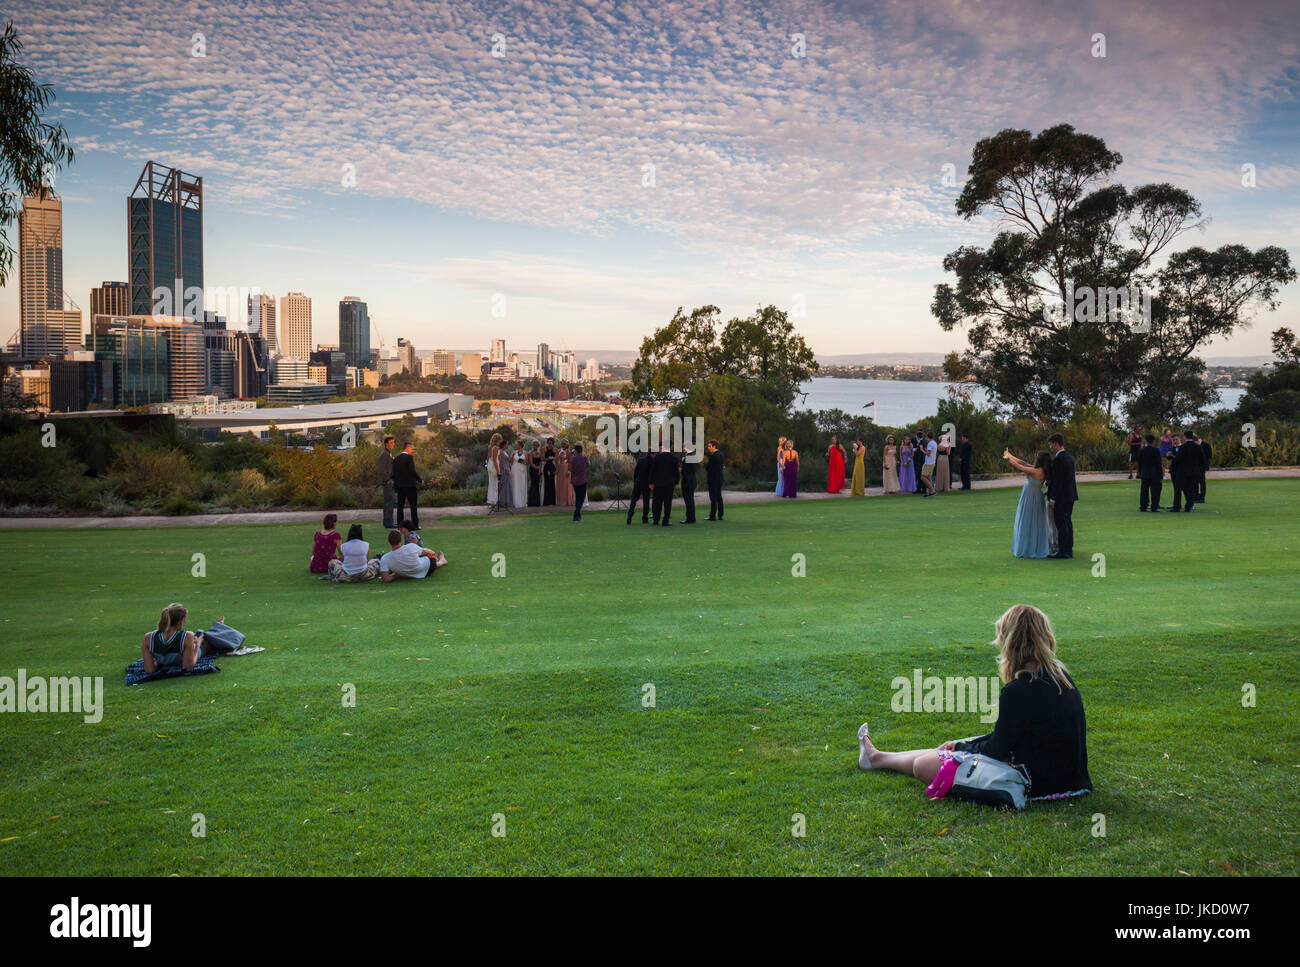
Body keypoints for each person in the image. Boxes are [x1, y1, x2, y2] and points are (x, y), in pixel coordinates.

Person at [856, 604, 1091, 802]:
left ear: (1011, 643)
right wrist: (963, 745)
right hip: (1070, 780)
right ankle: (878, 758)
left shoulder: (1018, 691)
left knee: (924, 765)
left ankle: (878, 759)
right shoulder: (1060, 678)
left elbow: (998, 750)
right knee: (958, 745)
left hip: (1033, 783)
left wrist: (960, 748)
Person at [1003, 449, 1052, 558]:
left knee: (1028, 521)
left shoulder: (1038, 471)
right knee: (1034, 522)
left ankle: (1028, 549)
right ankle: (1031, 546)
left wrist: (1007, 458)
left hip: (1030, 497)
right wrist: (1011, 455)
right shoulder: (1040, 469)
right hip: (1033, 496)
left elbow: (1020, 466)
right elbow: (1023, 462)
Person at [140, 602, 209, 674]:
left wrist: (161, 661)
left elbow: (149, 670)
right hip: (198, 647)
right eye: (184, 620)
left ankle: (218, 627)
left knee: (209, 636)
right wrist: (198, 645)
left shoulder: (148, 638)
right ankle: (218, 627)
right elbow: (187, 666)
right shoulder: (187, 636)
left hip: (185, 648)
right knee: (208, 640)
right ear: (181, 622)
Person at [1046, 433, 1078, 558]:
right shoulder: (1069, 457)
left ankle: (1064, 551)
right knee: (1067, 522)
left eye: (1051, 444)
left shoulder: (1059, 459)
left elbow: (1058, 481)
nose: (1051, 447)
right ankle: (1068, 548)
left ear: (1056, 443)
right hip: (1070, 495)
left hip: (1061, 497)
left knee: (1061, 524)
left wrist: (1053, 498)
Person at [379, 529, 446, 582]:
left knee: (421, 557)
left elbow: (386, 579)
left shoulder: (385, 558)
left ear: (389, 541)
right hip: (425, 567)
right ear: (401, 540)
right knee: (430, 559)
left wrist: (396, 576)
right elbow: (428, 552)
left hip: (409, 572)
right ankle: (442, 561)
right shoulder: (410, 546)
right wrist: (433, 553)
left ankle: (441, 561)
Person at [1171, 429, 1204, 512]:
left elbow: (1178, 459)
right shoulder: (1197, 447)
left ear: (1184, 437)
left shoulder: (1183, 447)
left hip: (1182, 471)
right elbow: (1202, 459)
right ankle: (1189, 505)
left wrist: (1172, 456)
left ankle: (1176, 506)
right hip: (1194, 471)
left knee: (1178, 489)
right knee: (1191, 489)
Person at [392, 441, 422, 530]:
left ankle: (399, 525)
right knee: (413, 506)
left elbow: (394, 473)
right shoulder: (409, 458)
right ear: (408, 448)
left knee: (400, 507)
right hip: (410, 486)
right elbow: (412, 471)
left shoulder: (396, 459)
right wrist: (420, 480)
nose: (413, 451)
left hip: (400, 486)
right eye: (412, 449)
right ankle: (415, 525)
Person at [651, 444, 679, 526]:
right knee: (667, 502)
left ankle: (656, 520)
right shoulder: (674, 458)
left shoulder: (657, 457)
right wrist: (676, 482)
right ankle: (665, 520)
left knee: (657, 502)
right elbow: (676, 472)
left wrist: (651, 482)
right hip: (669, 484)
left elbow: (653, 470)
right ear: (671, 447)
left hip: (659, 483)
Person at [1136, 433, 1164, 512]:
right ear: (1153, 441)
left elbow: (1139, 463)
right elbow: (1159, 464)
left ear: (1146, 441)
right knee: (1155, 491)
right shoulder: (1156, 450)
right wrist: (1161, 475)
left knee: (1144, 490)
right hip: (1155, 473)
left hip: (1144, 473)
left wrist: (1140, 472)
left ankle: (1143, 506)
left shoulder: (1141, 450)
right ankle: (1154, 506)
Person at [627, 449, 653, 524]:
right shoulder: (652, 461)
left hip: (638, 483)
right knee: (646, 501)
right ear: (652, 454)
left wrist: (635, 481)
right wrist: (651, 483)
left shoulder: (641, 460)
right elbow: (651, 473)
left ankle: (630, 515)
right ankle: (644, 518)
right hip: (646, 484)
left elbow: (636, 472)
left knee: (633, 500)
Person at [378, 435, 396, 529]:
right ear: (386, 444)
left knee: (389, 502)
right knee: (388, 502)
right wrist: (388, 480)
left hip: (390, 481)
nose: (393, 444)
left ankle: (389, 522)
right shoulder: (384, 454)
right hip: (387, 482)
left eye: (394, 442)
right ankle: (388, 523)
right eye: (391, 443)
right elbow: (382, 469)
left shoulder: (388, 453)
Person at [705, 439, 725, 521]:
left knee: (713, 498)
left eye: (709, 446)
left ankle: (712, 515)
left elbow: (708, 467)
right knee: (719, 497)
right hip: (719, 479)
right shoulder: (721, 455)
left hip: (713, 480)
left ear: (714, 446)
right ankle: (720, 515)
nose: (708, 448)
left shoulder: (713, 456)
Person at [569, 443, 589, 522]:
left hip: (574, 480)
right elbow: (589, 464)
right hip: (582, 480)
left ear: (575, 450)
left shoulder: (572, 459)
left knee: (578, 498)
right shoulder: (584, 458)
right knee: (581, 499)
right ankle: (576, 515)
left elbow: (570, 468)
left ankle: (578, 516)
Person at [679, 447, 698, 522]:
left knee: (688, 501)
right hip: (692, 481)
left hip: (687, 482)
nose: (683, 448)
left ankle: (690, 518)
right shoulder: (693, 456)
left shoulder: (687, 457)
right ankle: (691, 517)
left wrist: (681, 470)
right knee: (691, 500)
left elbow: (686, 472)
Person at [919, 431, 937, 497]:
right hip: (932, 462)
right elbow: (931, 452)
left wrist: (922, 450)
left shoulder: (930, 444)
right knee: (929, 477)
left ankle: (932, 490)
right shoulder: (934, 443)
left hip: (928, 463)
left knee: (923, 477)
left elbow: (928, 454)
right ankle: (930, 492)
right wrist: (926, 450)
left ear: (927, 437)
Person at [486, 433, 502, 508]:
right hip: (493, 466)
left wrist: (488, 465)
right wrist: (498, 471)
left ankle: (491, 501)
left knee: (491, 483)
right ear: (498, 440)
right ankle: (493, 502)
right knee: (495, 484)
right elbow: (495, 459)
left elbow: (488, 457)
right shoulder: (495, 447)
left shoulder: (490, 447)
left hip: (490, 464)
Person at [510, 441, 528, 508]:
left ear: (520, 445)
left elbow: (527, 462)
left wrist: (519, 460)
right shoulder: (513, 452)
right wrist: (512, 457)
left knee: (521, 485)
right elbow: (510, 461)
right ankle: (514, 502)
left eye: (517, 445)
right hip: (514, 470)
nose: (516, 446)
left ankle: (522, 502)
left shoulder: (525, 453)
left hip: (522, 470)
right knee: (514, 485)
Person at [557, 440, 573, 506]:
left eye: (564, 443)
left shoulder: (568, 451)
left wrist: (568, 471)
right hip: (560, 469)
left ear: (566, 444)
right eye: (562, 443)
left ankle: (566, 501)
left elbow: (570, 462)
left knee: (566, 484)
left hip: (565, 468)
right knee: (560, 484)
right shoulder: (559, 450)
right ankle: (561, 500)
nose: (562, 444)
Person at [542, 437, 557, 505]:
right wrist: (548, 459)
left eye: (551, 443)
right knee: (546, 483)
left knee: (552, 483)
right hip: (546, 467)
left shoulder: (555, 449)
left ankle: (552, 501)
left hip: (552, 467)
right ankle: (546, 501)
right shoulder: (544, 449)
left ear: (553, 443)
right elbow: (542, 458)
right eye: (549, 443)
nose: (550, 444)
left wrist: (557, 469)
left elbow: (557, 458)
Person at [1197, 435, 1212, 503]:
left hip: (1202, 466)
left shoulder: (1206, 445)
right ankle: (1197, 496)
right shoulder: (1196, 445)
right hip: (1196, 466)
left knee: (1202, 481)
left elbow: (1209, 455)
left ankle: (1202, 496)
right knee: (1196, 482)